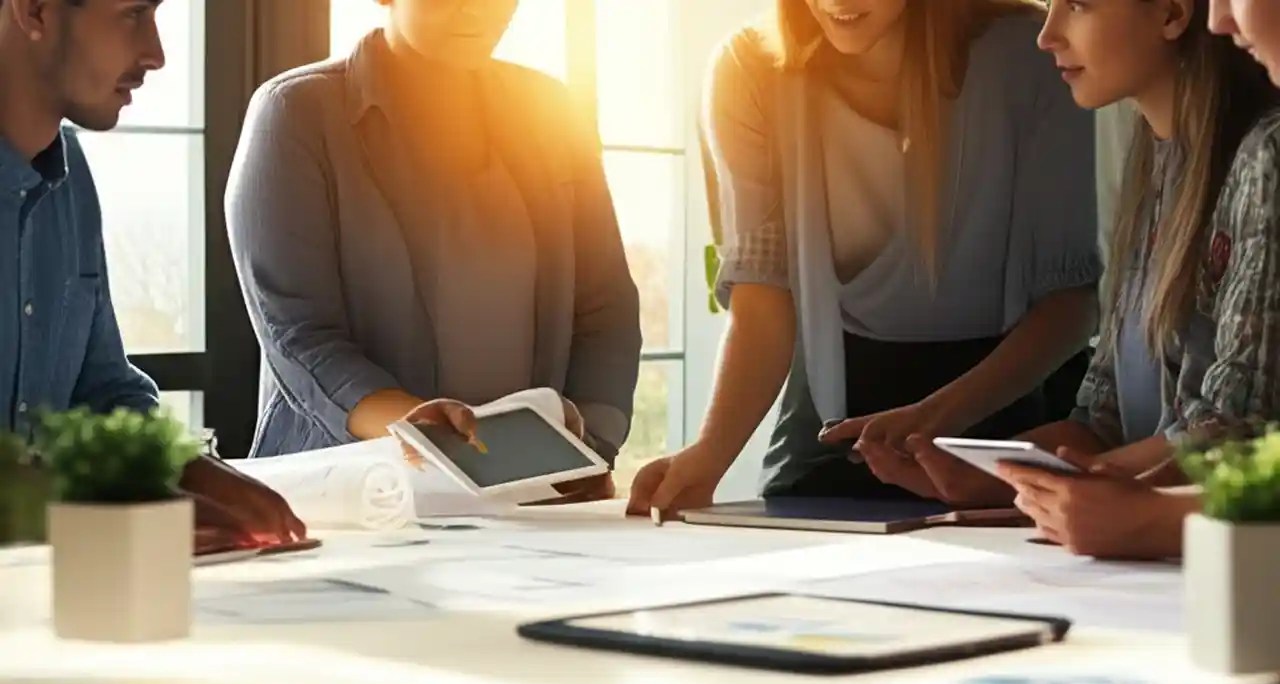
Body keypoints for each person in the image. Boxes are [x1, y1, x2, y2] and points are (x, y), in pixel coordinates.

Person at [629, 0, 1101, 516]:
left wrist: (934, 417)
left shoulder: (1032, 54)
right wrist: (707, 457)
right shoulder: (749, 69)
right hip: (838, 410)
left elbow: (1071, 304)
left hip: (1010, 403)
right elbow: (762, 295)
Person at [226, 0, 639, 502]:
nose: (475, 11)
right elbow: (298, 334)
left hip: (529, 496)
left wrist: (591, 442)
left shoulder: (551, 111)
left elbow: (606, 307)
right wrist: (419, 430)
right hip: (355, 495)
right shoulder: (297, 112)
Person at [911, 0, 1280, 560]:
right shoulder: (1147, 160)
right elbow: (1102, 416)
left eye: (1078, 5)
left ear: (1172, 14)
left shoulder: (1265, 156)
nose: (1048, 35)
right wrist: (1002, 470)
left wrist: (1103, 491)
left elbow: (1240, 427)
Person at [0, 0, 306, 548]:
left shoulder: (69, 179)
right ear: (36, 11)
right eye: (132, 14)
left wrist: (183, 466)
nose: (157, 54)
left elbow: (101, 389)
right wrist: (116, 505)